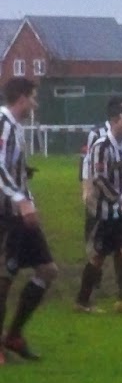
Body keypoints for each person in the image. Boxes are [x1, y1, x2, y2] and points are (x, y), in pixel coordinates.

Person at [0, 77, 59, 361]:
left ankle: (13, 336)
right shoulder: (2, 122)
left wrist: (29, 201)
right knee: (3, 278)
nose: (35, 103)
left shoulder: (17, 128)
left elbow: (17, 171)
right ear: (22, 97)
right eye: (33, 97)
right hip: (5, 213)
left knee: (47, 270)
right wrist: (20, 200)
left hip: (19, 212)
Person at [74, 102, 122, 315]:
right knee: (97, 257)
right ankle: (82, 301)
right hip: (104, 211)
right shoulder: (101, 145)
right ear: (114, 122)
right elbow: (101, 179)